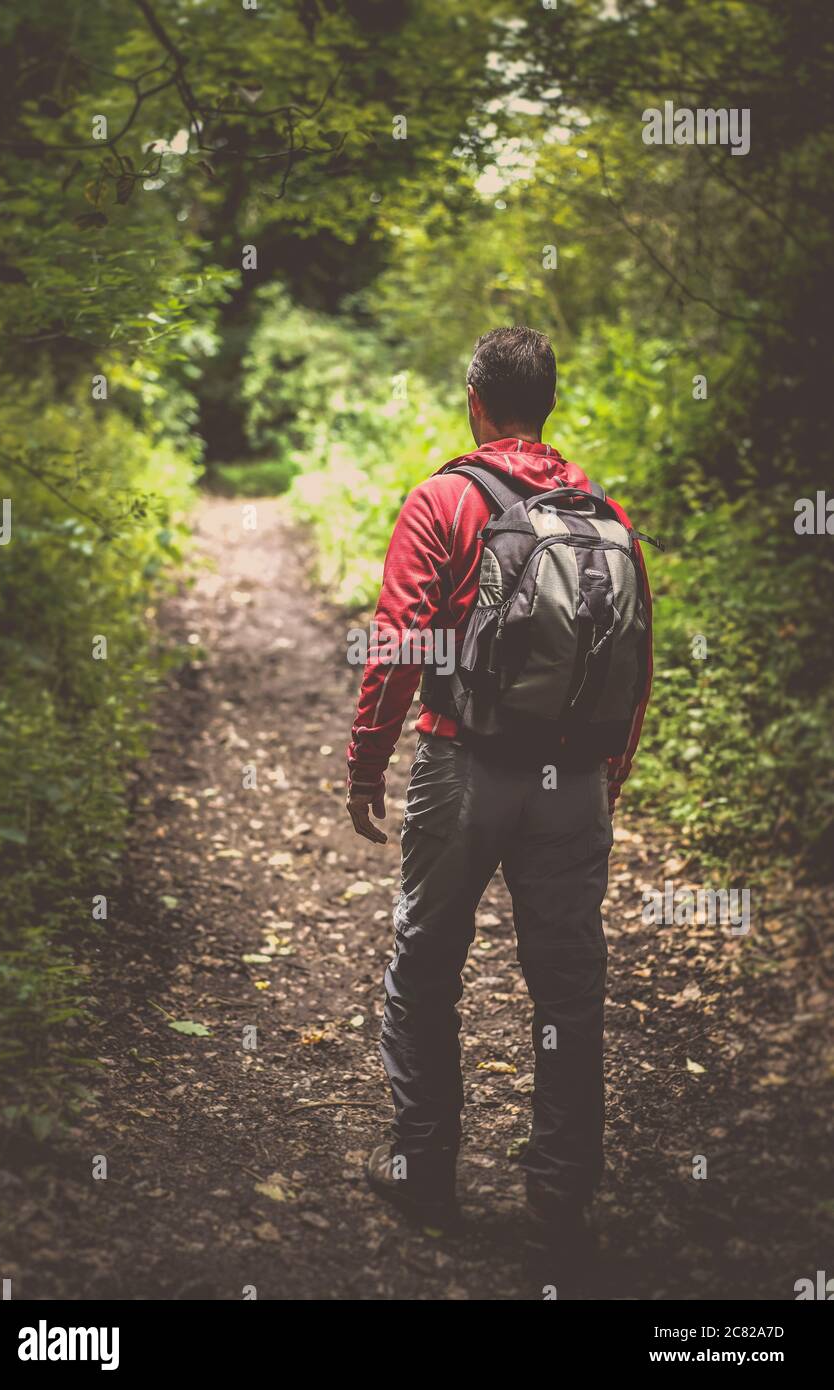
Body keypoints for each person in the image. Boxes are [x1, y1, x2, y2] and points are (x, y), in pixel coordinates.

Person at [345, 327, 653, 1278]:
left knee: (426, 960)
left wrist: (367, 760)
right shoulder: (605, 514)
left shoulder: (446, 497)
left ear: (475, 400)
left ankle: (425, 1172)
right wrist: (609, 773)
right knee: (568, 988)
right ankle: (560, 1197)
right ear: (548, 403)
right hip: (576, 781)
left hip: (465, 766)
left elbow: (402, 641)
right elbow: (635, 664)